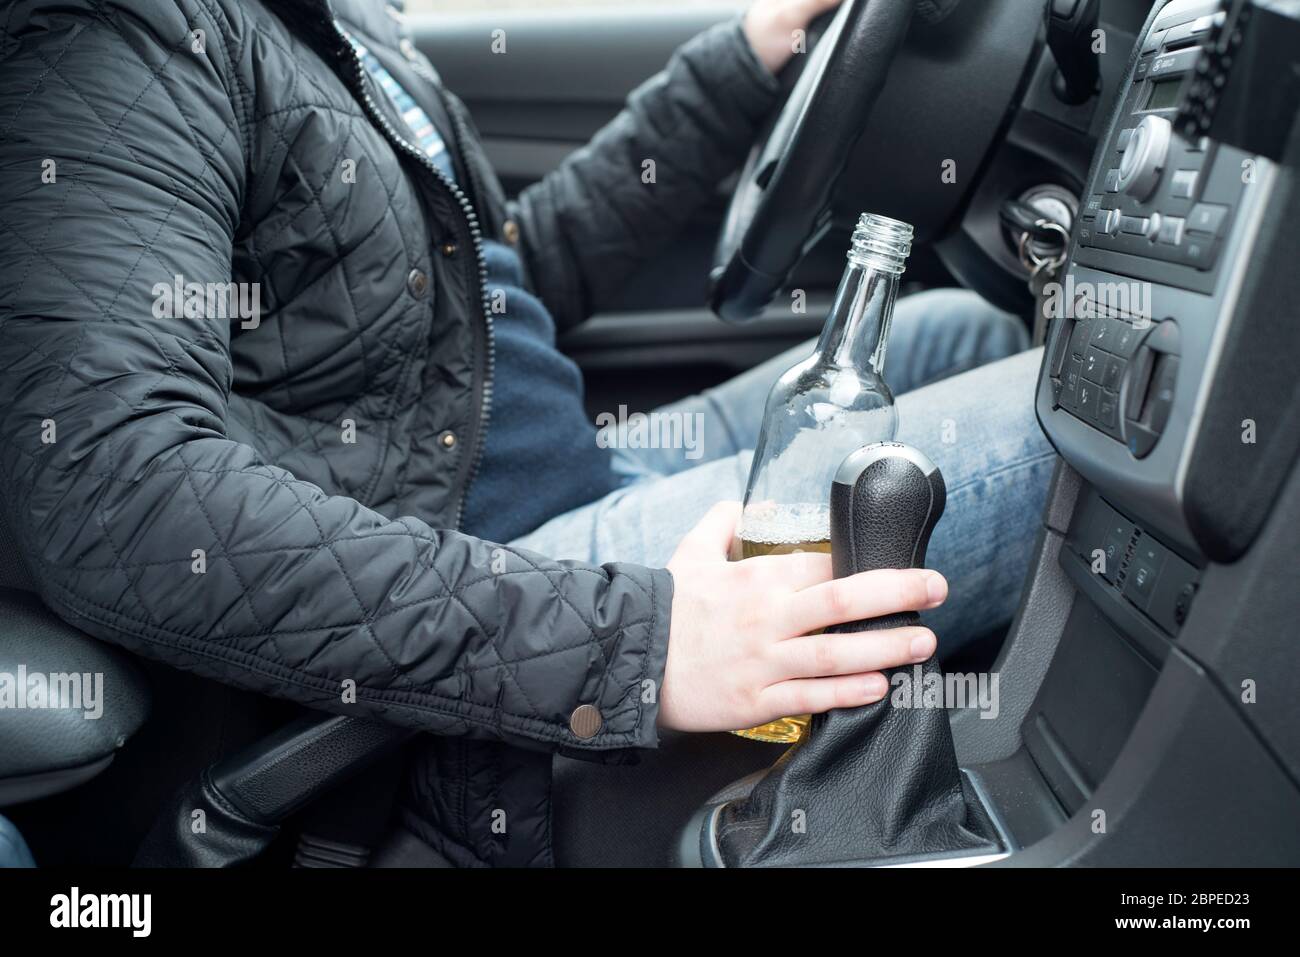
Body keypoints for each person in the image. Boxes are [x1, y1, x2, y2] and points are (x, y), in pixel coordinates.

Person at [0, 0, 1053, 866]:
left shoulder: (337, 31)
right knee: (1068, 428)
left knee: (961, 329)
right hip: (494, 584)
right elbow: (109, 491)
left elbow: (495, 289)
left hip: (562, 478)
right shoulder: (126, 39)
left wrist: (736, 64)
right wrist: (634, 647)